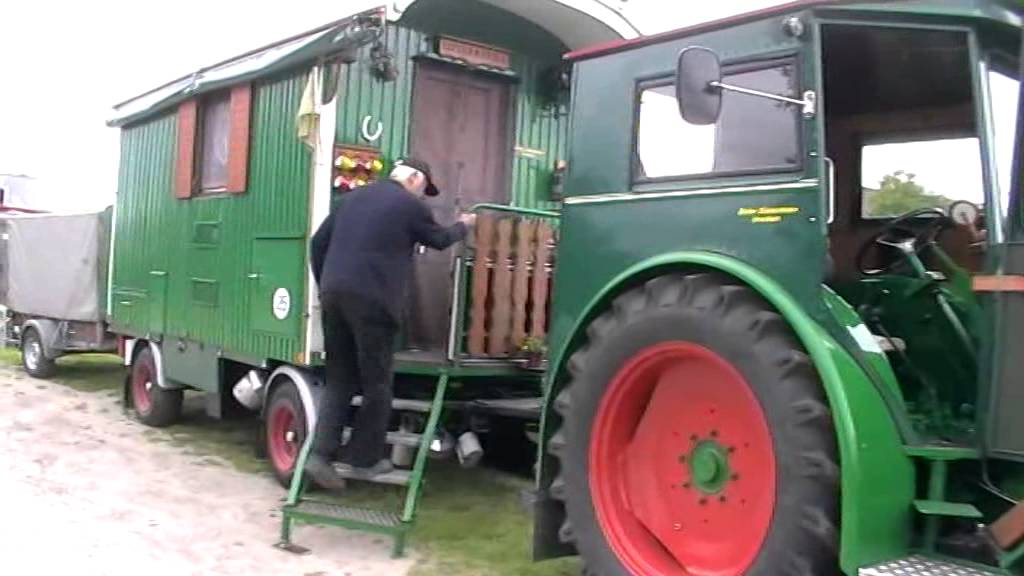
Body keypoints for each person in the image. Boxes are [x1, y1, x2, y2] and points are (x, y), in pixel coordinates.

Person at [307, 157, 475, 488]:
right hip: (374, 301)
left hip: (334, 295)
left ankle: (320, 456)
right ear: (414, 179)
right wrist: (463, 225)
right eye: (424, 189)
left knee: (339, 379)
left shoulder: (352, 198)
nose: (423, 195)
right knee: (377, 385)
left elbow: (317, 243)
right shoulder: (409, 205)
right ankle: (364, 460)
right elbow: (439, 240)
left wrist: (326, 281)